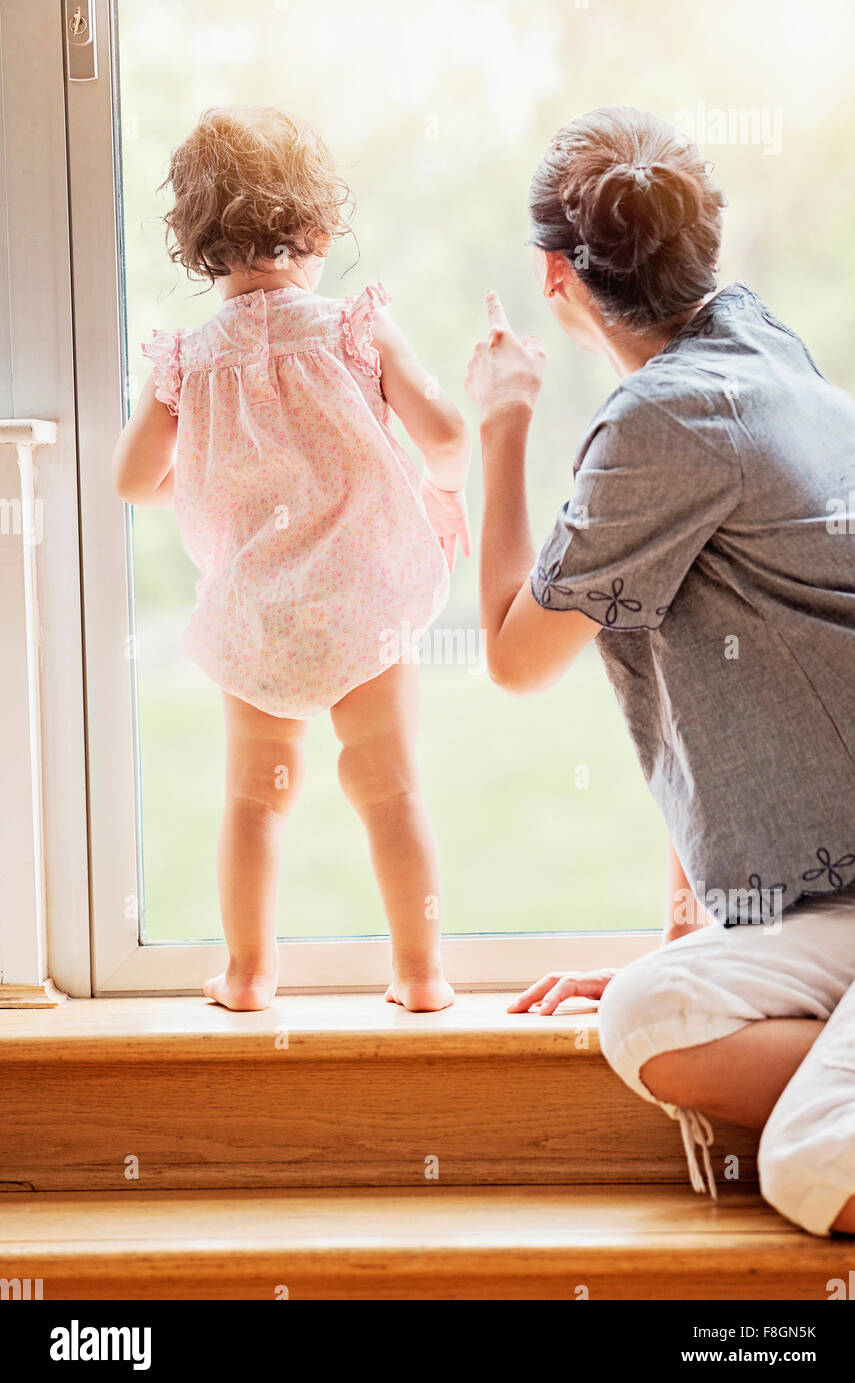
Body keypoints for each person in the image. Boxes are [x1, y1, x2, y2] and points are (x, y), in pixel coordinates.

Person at [465, 105, 855, 1235]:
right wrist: (706, 935)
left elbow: (507, 656)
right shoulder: (766, 350)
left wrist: (502, 427)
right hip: (840, 902)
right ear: (708, 244)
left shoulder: (664, 419)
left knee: (810, 1169)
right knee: (649, 1015)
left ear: (555, 273)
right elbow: (722, 683)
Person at [113, 106, 470, 1013]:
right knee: (389, 788)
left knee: (254, 798)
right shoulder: (354, 329)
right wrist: (445, 486)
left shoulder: (189, 361)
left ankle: (247, 974)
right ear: (315, 227)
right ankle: (422, 975)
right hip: (367, 601)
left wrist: (199, 482)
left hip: (259, 615)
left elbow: (131, 478)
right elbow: (447, 434)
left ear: (198, 245)